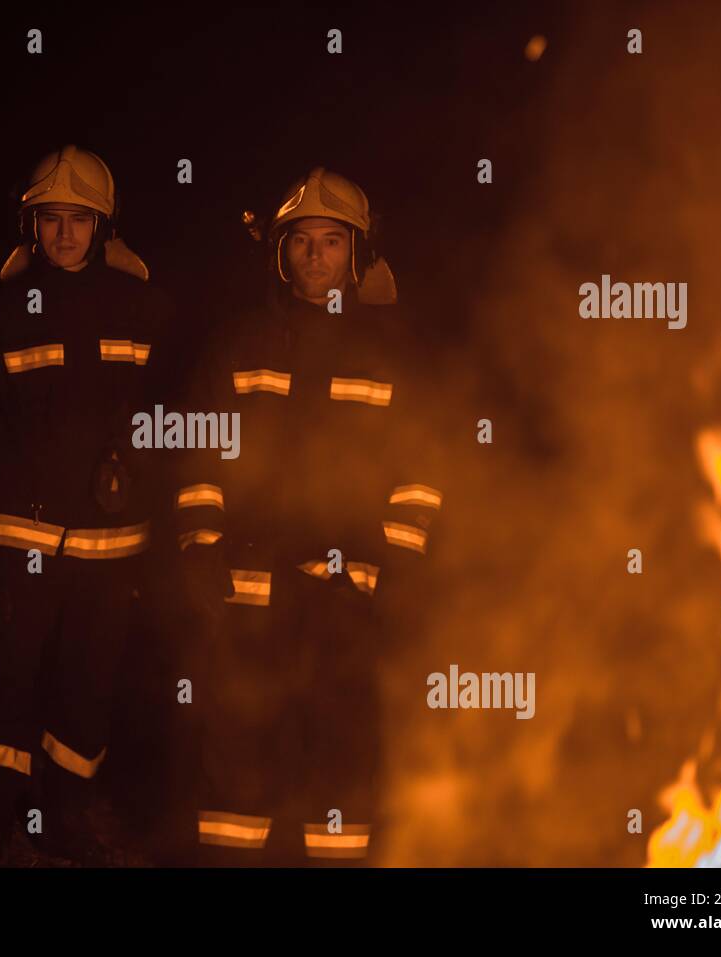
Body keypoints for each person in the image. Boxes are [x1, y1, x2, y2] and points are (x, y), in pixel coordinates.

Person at [174, 168, 446, 864]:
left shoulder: (392, 354)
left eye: (331, 241)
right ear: (279, 252)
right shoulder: (238, 345)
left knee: (342, 759)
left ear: (356, 254)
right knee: (237, 756)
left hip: (345, 594)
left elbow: (419, 476)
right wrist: (201, 546)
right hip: (249, 591)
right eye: (301, 242)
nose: (316, 256)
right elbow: (200, 456)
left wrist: (396, 565)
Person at [0, 146, 171, 864]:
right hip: (21, 535)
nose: (65, 235)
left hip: (115, 543)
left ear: (104, 226)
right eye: (51, 220)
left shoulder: (147, 309)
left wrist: (151, 492)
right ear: (30, 224)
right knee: (2, 678)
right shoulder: (2, 312)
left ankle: (64, 814)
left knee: (89, 686)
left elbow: (171, 416)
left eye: (80, 220)